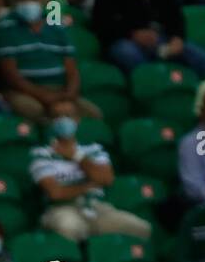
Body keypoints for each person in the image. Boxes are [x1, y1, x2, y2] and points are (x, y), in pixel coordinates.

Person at [32, 99, 152, 242]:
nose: (63, 120)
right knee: (68, 228)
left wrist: (77, 156)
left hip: (97, 207)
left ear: (77, 119)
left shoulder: (93, 150)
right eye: (58, 116)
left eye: (68, 115)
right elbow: (56, 194)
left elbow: (106, 179)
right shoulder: (41, 154)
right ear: (50, 121)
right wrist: (88, 186)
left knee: (140, 228)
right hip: (62, 209)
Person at [0, 0, 100, 121]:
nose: (28, 3)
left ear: (44, 1)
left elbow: (72, 69)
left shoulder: (55, 25)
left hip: (59, 89)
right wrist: (45, 96)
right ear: (14, 1)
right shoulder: (5, 27)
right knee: (33, 110)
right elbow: (11, 75)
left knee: (93, 113)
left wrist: (69, 95)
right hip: (24, 92)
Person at [91, 0, 205, 77]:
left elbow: (176, 19)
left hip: (160, 40)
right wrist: (132, 34)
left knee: (201, 59)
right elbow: (101, 24)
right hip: (123, 41)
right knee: (128, 54)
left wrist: (177, 39)